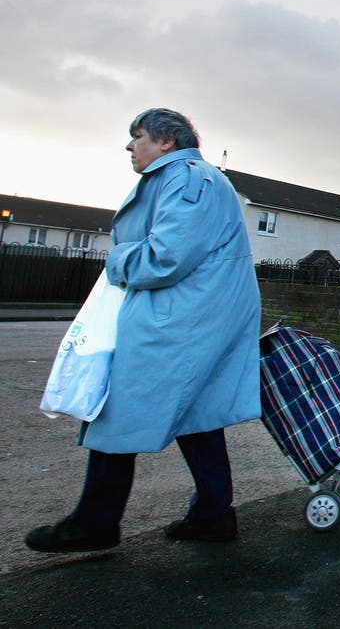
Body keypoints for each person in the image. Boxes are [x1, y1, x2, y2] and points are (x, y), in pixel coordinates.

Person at [25, 109, 262, 553]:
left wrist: (116, 262)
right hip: (191, 314)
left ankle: (94, 523)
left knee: (120, 410)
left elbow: (166, 257)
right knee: (198, 412)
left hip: (178, 319)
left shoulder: (189, 178)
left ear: (167, 142)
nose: (130, 146)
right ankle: (212, 514)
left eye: (137, 137)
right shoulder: (189, 178)